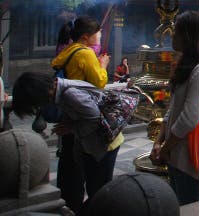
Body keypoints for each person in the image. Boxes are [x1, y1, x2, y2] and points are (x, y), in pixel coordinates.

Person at [12, 71, 124, 212]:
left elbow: (95, 119)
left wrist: (70, 128)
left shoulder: (70, 94)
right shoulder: (62, 88)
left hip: (105, 144)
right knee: (93, 188)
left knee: (99, 193)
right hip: (95, 144)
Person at [149, 11, 199, 205]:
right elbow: (173, 110)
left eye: (177, 31)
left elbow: (189, 118)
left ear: (188, 35)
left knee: (192, 206)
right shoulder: (187, 67)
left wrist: (165, 148)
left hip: (190, 159)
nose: (172, 34)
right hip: (175, 155)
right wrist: (159, 142)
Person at [50, 16, 110, 212]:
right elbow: (99, 82)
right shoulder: (85, 53)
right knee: (80, 167)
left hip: (69, 111)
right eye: (97, 35)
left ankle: (68, 204)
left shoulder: (69, 50)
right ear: (85, 37)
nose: (99, 38)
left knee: (68, 163)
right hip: (82, 114)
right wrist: (103, 65)